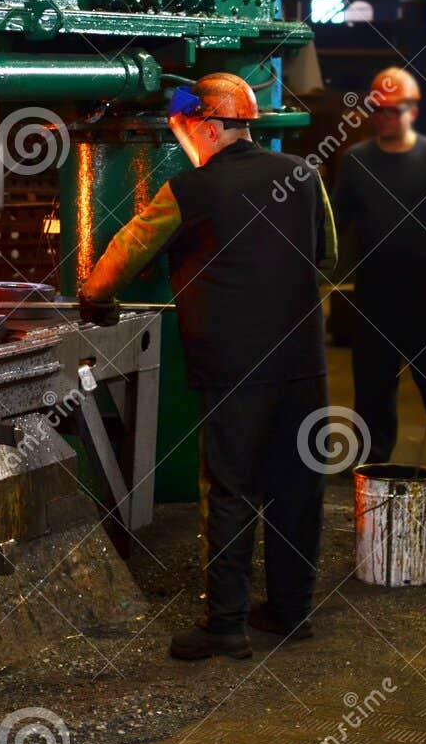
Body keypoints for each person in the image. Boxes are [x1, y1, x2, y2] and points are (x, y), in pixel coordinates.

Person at [79, 73, 338, 660]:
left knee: (229, 489)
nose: (189, 142)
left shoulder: (189, 190)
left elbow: (122, 254)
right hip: (302, 363)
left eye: (190, 130)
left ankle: (225, 626)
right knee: (297, 485)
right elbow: (328, 254)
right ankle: (291, 613)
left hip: (233, 366)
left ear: (212, 126)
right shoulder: (305, 176)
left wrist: (96, 298)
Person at [332, 68, 426, 486]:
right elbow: (338, 221)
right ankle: (373, 455)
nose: (384, 118)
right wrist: (321, 269)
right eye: (378, 110)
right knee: (373, 378)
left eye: (393, 111)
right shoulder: (356, 161)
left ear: (413, 109)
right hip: (376, 283)